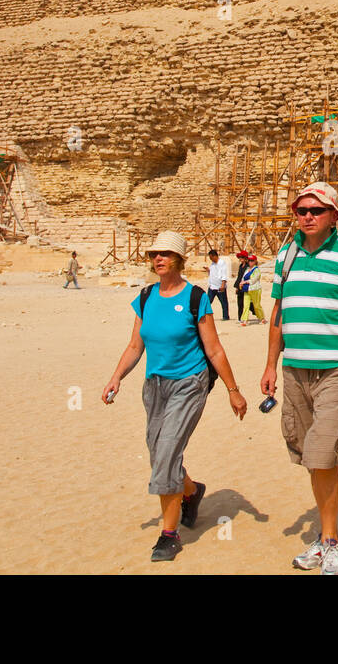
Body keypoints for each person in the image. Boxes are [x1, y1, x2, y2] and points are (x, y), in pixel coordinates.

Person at [260, 182, 338, 576]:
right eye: (301, 210)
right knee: (305, 452)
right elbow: (278, 313)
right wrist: (269, 365)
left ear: (334, 215)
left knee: (321, 452)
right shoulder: (286, 256)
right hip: (294, 369)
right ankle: (322, 536)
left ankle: (330, 540)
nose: (308, 216)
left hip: (337, 368)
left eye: (317, 210)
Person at [102, 230, 248, 562]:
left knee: (166, 451)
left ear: (179, 259)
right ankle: (192, 492)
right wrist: (116, 377)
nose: (158, 259)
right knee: (158, 452)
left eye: (166, 254)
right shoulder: (145, 297)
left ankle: (169, 535)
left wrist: (233, 391)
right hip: (155, 386)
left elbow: (214, 349)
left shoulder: (196, 298)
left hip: (189, 384)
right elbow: (135, 345)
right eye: (154, 254)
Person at [239, 254, 266, 325]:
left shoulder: (257, 270)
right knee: (246, 305)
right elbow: (243, 277)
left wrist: (245, 282)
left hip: (255, 289)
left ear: (255, 261)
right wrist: (241, 282)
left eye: (252, 261)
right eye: (249, 260)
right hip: (247, 289)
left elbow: (253, 280)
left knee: (256, 305)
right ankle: (245, 320)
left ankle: (262, 318)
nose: (250, 262)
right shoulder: (247, 269)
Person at [206, 249, 230, 320]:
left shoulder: (222, 263)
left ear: (215, 256)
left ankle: (225, 316)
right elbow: (213, 273)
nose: (211, 259)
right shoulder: (213, 264)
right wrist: (208, 270)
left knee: (223, 302)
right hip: (212, 286)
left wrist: (223, 285)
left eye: (211, 258)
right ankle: (205, 315)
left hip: (220, 287)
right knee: (208, 301)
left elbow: (224, 274)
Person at [233, 250, 249, 319]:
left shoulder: (248, 267)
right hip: (240, 287)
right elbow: (239, 277)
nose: (240, 259)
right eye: (239, 257)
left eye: (241, 257)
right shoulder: (240, 266)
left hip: (246, 287)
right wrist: (237, 287)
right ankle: (240, 318)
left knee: (248, 304)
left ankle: (256, 313)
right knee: (239, 303)